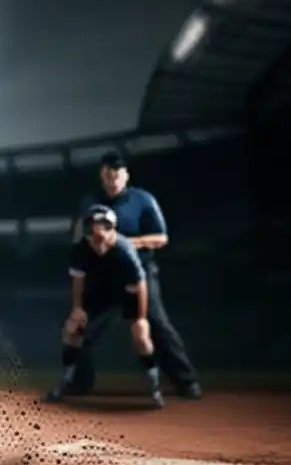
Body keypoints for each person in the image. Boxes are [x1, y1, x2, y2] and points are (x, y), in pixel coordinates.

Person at [63, 151, 202, 399]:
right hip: (101, 276)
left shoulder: (143, 200)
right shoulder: (90, 202)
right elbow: (77, 235)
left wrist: (124, 242)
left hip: (138, 272)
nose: (112, 179)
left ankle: (186, 382)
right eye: (107, 174)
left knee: (157, 324)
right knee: (80, 325)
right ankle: (78, 383)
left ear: (126, 175)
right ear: (101, 176)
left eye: (117, 174)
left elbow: (161, 238)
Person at [46, 205, 164, 408]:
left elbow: (140, 284)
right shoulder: (80, 250)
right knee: (72, 330)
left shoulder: (124, 250)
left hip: (126, 291)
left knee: (141, 335)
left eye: (104, 230)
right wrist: (77, 308)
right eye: (92, 232)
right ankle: (65, 382)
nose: (98, 237)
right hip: (98, 293)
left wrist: (141, 317)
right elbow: (78, 281)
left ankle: (155, 388)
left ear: (113, 230)